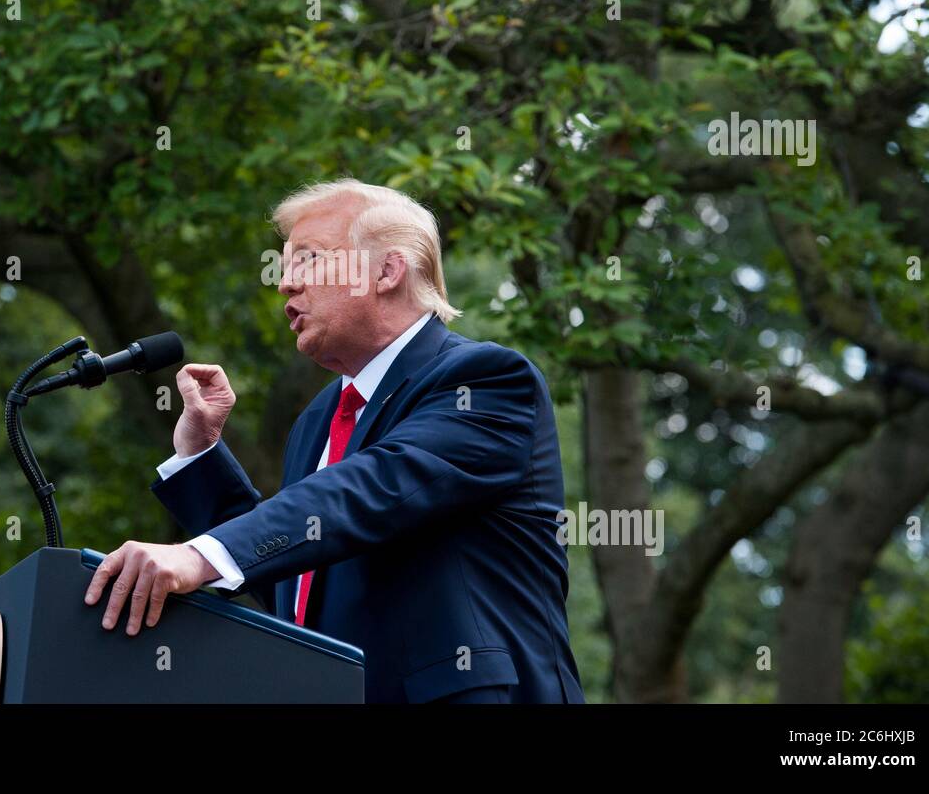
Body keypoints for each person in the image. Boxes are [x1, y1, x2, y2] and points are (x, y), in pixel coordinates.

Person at [84, 178, 584, 703]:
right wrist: (201, 456)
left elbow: (376, 487)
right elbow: (290, 578)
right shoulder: (317, 420)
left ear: (388, 271)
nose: (284, 283)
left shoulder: (485, 380)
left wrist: (198, 555)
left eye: (308, 259)